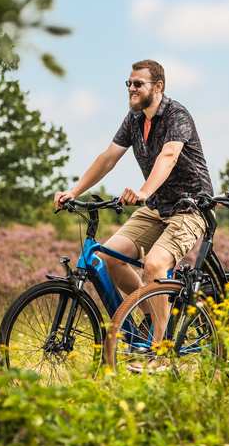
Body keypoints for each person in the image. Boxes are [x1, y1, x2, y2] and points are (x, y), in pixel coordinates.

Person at [54, 59, 213, 346]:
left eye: (138, 84)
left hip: (189, 208)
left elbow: (169, 157)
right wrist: (74, 191)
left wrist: (142, 191)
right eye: (128, 83)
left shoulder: (177, 115)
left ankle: (160, 350)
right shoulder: (134, 119)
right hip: (155, 208)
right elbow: (108, 158)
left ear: (158, 86)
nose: (131, 88)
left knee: (154, 265)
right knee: (106, 257)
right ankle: (151, 318)